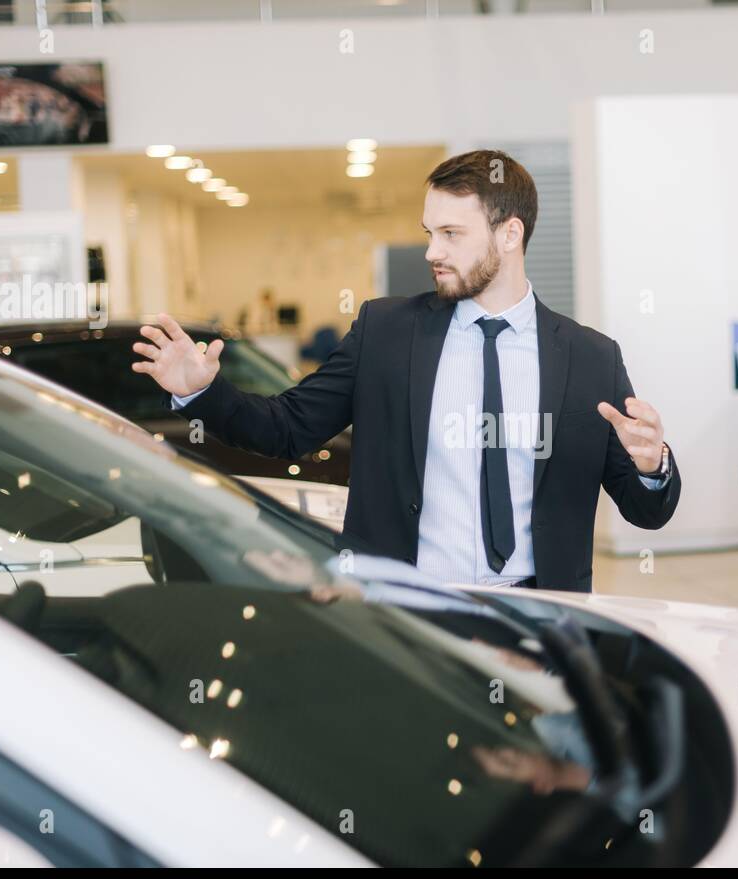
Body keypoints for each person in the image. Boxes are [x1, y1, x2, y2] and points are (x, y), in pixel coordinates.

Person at [132, 150, 680, 591]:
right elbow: (287, 428)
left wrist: (653, 464)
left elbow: (646, 510)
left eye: (451, 234)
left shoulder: (591, 357)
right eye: (429, 233)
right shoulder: (386, 332)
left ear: (510, 235)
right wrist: (203, 394)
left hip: (544, 620)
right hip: (409, 614)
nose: (431, 252)